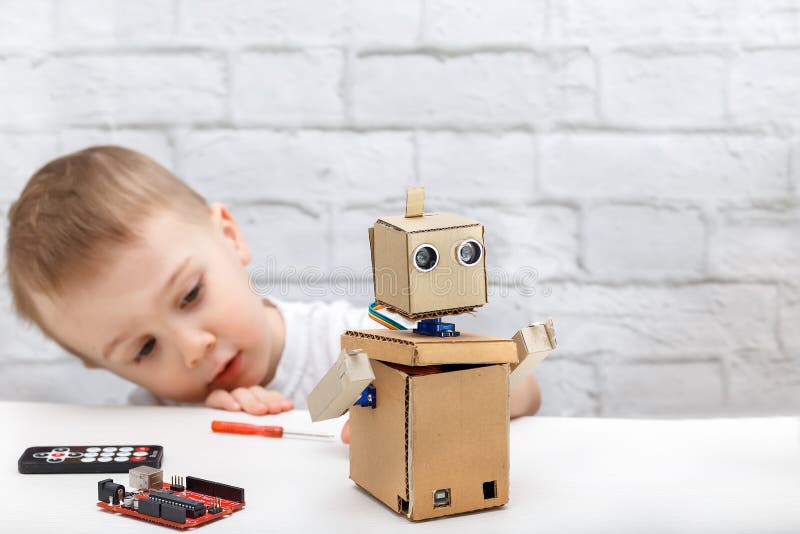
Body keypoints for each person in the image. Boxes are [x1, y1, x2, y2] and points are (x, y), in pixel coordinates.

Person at [5, 146, 542, 441]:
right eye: (143, 350)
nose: (192, 348)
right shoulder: (151, 420)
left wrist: (431, 394)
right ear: (99, 364)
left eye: (190, 295)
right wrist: (208, 432)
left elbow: (525, 391)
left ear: (231, 237)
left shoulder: (348, 342)